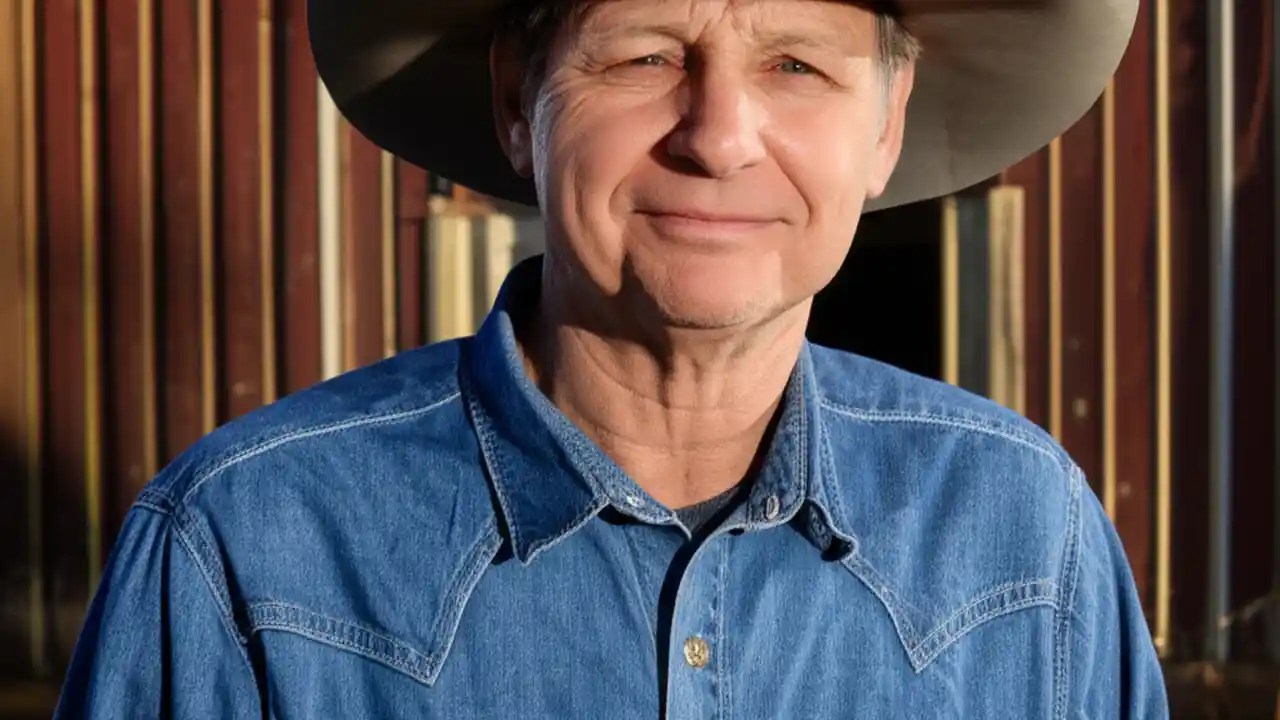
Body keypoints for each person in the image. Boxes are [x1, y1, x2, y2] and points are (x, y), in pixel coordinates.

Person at [56, 0, 1168, 717]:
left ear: (885, 126)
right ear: (517, 101)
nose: (718, 137)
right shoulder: (246, 545)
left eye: (794, 64)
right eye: (644, 56)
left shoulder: (1026, 540)